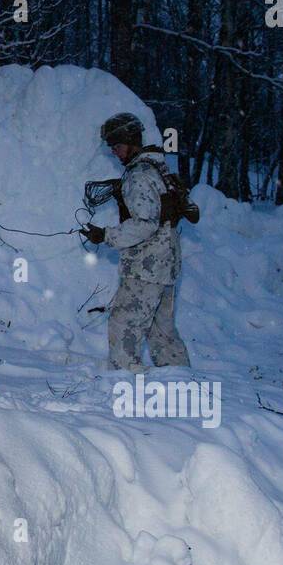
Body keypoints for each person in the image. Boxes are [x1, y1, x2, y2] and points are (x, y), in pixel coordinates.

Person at [81, 112, 193, 372]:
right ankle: (180, 380)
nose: (116, 153)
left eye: (118, 147)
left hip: (146, 266)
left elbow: (145, 223)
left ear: (132, 141)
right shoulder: (157, 167)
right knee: (161, 331)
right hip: (166, 264)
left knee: (124, 327)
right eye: (112, 149)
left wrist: (106, 235)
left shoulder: (139, 175)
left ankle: (124, 382)